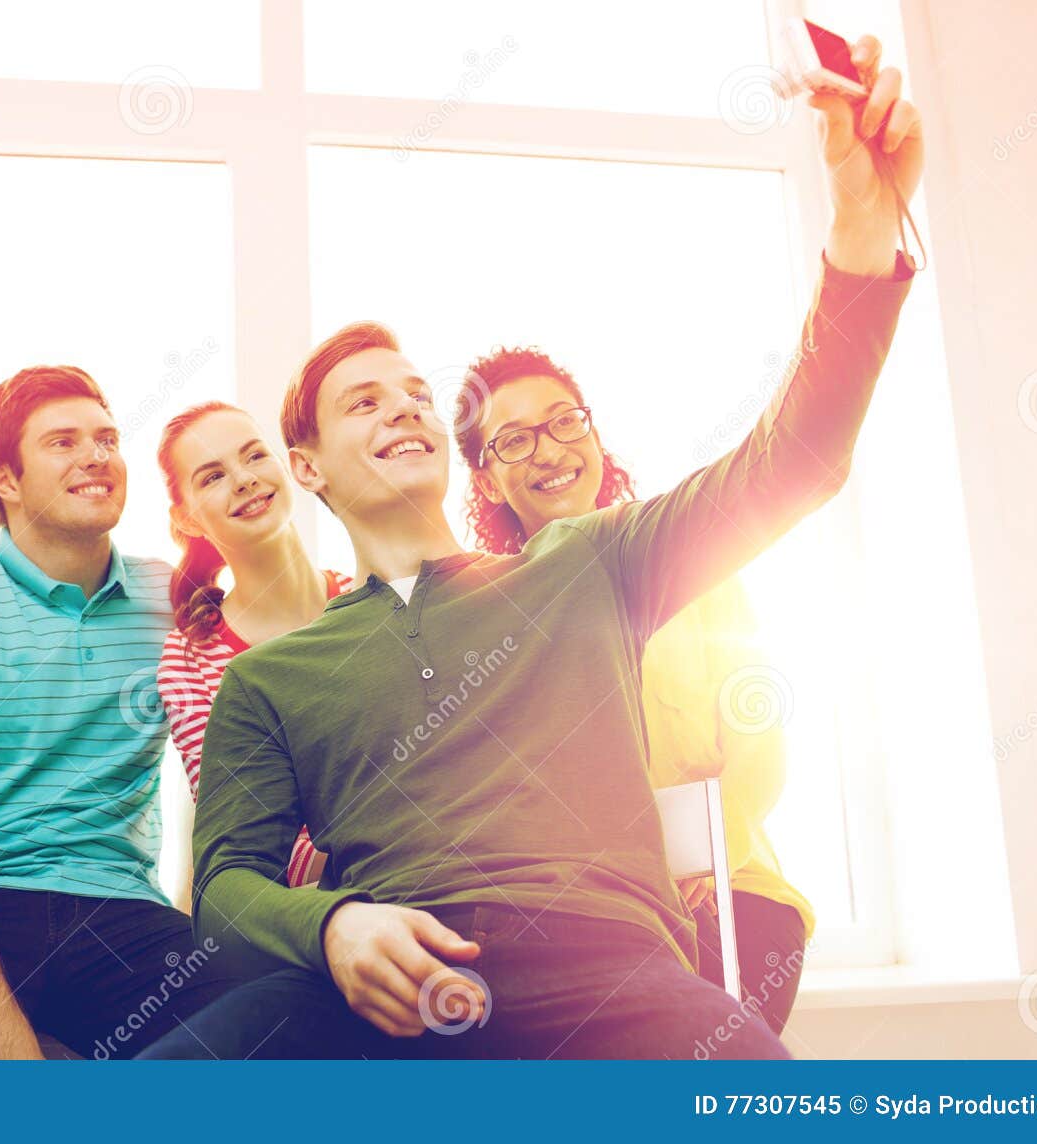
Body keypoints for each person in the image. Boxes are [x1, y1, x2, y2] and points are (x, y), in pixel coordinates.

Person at [142, 34, 920, 1059]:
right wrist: (332, 925)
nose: (405, 411)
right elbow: (229, 894)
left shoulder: (589, 563)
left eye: (418, 394)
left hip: (616, 982)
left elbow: (795, 458)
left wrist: (862, 223)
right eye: (363, 402)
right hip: (384, 985)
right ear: (309, 466)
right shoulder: (274, 680)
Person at [0, 366, 241, 1061]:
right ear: (5, 478)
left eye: (107, 438)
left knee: (276, 1035)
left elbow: (262, 653)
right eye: (63, 441)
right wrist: (13, 1052)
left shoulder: (174, 601)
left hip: (121, 914)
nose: (96, 457)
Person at [453, 346, 815, 1033]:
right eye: (515, 439)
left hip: (728, 897)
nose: (550, 450)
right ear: (490, 481)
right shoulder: (483, 621)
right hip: (585, 922)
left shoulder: (698, 562)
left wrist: (708, 858)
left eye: (565, 422)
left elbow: (760, 748)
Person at [154, 400, 351, 901]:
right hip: (315, 909)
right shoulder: (188, 661)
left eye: (254, 456)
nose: (243, 479)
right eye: (212, 476)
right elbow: (247, 831)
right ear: (187, 518)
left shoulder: (367, 601)